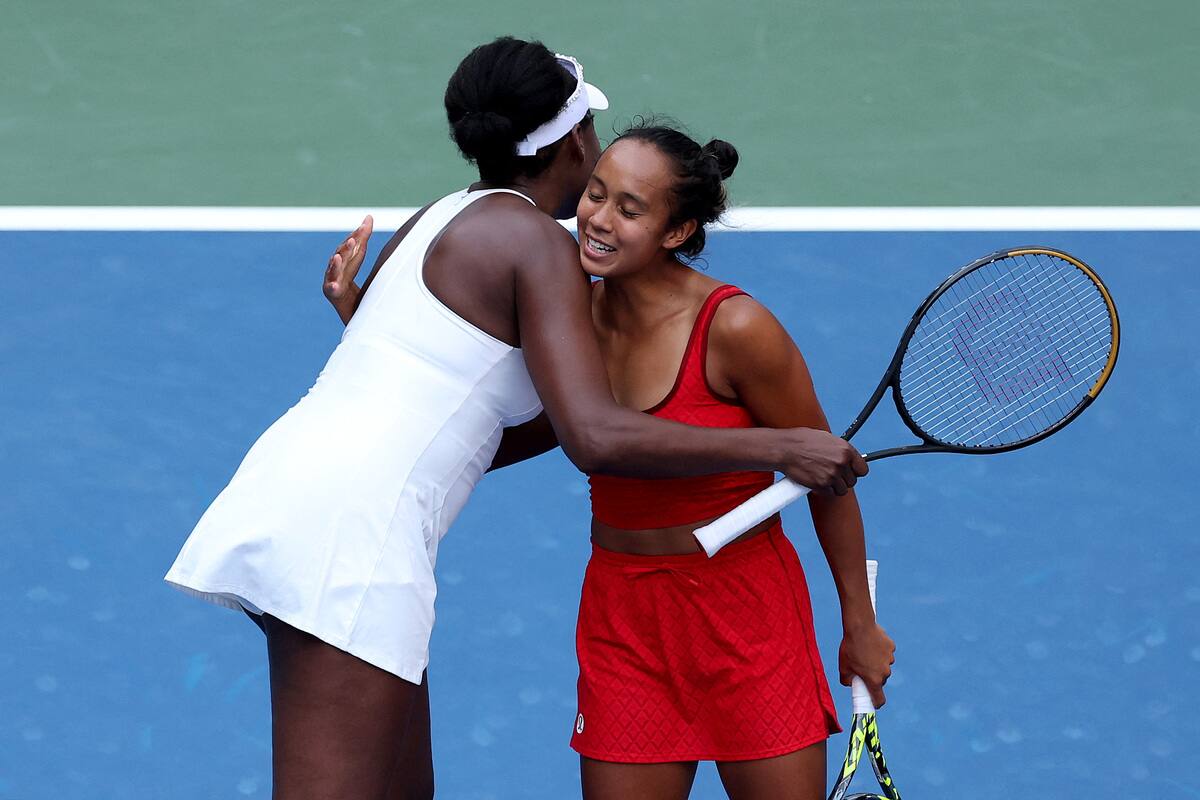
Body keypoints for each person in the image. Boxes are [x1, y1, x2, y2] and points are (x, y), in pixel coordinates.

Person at [167, 37, 866, 800]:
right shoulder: (538, 246)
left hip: (310, 500)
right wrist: (783, 447)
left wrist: (357, 318)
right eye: (599, 179)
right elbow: (592, 436)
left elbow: (451, 401)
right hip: (351, 535)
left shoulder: (443, 213)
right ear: (574, 143)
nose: (600, 212)